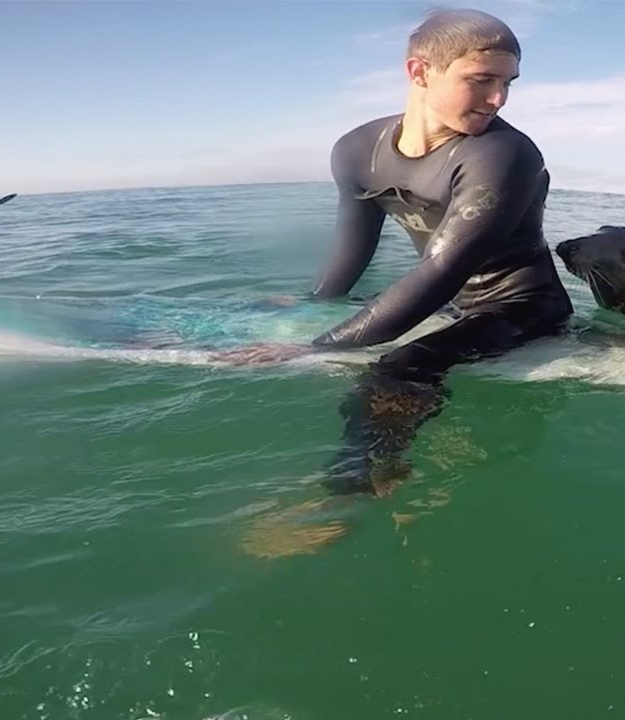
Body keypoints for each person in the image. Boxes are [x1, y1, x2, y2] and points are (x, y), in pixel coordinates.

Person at [213, 7, 573, 495]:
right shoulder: (357, 150)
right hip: (449, 302)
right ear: (420, 71)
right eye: (482, 79)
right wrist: (316, 302)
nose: (498, 99)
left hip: (523, 306)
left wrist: (314, 348)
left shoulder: (504, 155)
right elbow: (354, 245)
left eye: (509, 83)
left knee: (399, 366)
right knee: (262, 310)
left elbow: (444, 267)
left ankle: (354, 486)